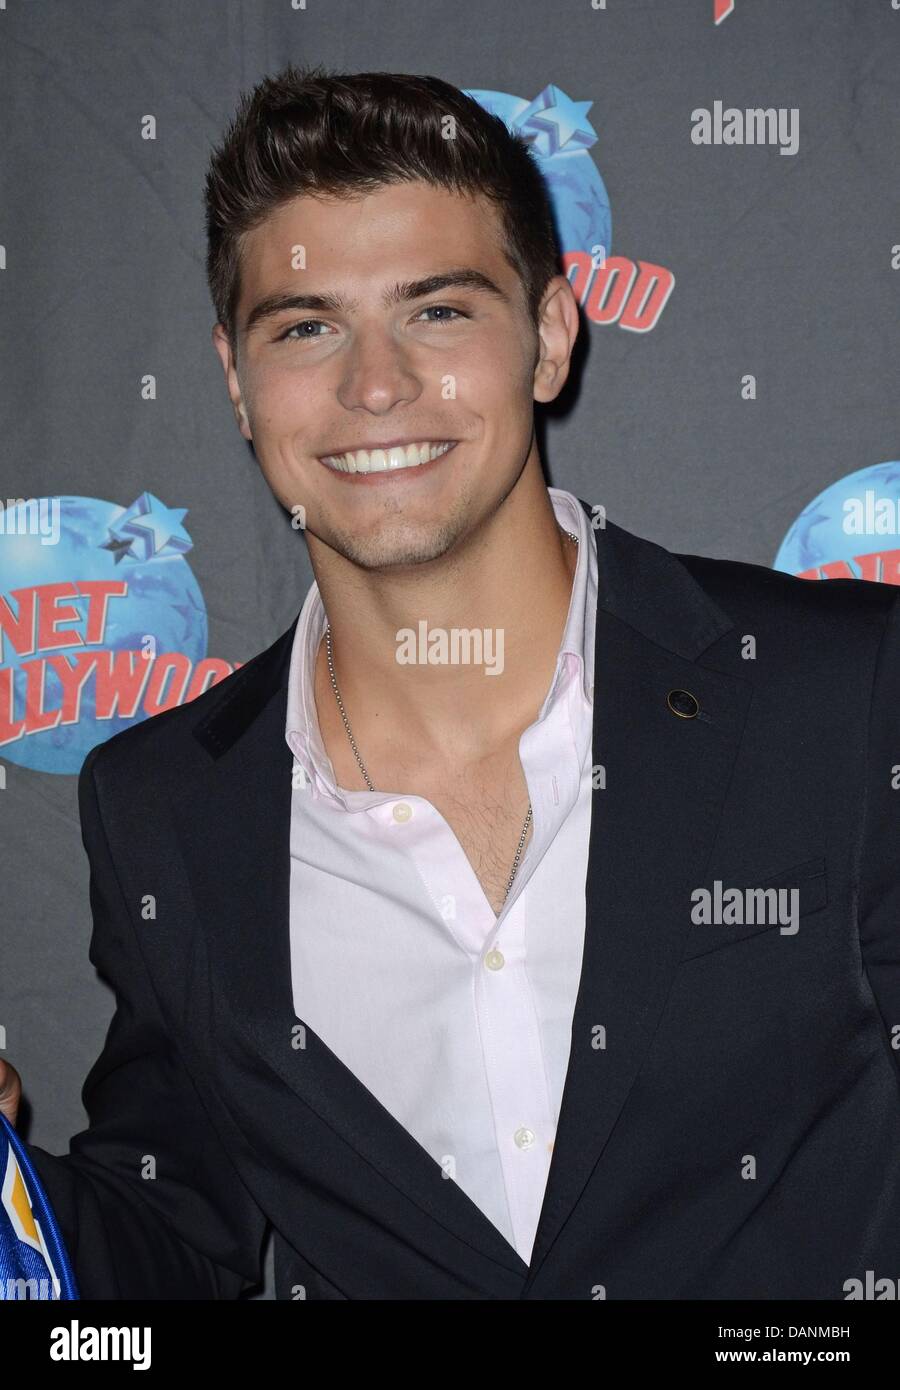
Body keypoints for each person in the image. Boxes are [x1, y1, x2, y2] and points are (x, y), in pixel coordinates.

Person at [2, 64, 899, 1300]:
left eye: (437, 311)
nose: (375, 386)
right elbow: (168, 1242)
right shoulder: (161, 808)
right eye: (306, 326)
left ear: (549, 336)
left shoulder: (843, 696)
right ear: (234, 380)